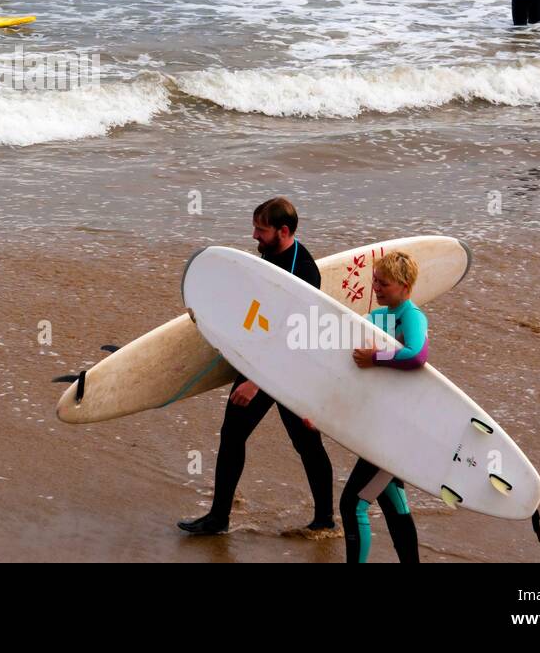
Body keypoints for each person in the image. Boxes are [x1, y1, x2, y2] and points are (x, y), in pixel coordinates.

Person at [178, 198, 336, 537]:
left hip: (291, 369)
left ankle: (325, 521)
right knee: (233, 435)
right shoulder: (268, 258)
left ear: (283, 230)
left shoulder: (304, 271)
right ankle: (218, 517)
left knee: (306, 443)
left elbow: (293, 337)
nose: (253, 236)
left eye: (260, 230)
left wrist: (254, 382)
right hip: (260, 361)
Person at [341, 250, 427, 563]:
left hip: (396, 430)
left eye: (384, 284)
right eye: (375, 281)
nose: (376, 288)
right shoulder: (379, 317)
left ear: (405, 286)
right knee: (394, 503)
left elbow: (417, 355)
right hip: (381, 424)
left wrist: (376, 357)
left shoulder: (412, 316)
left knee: (353, 504)